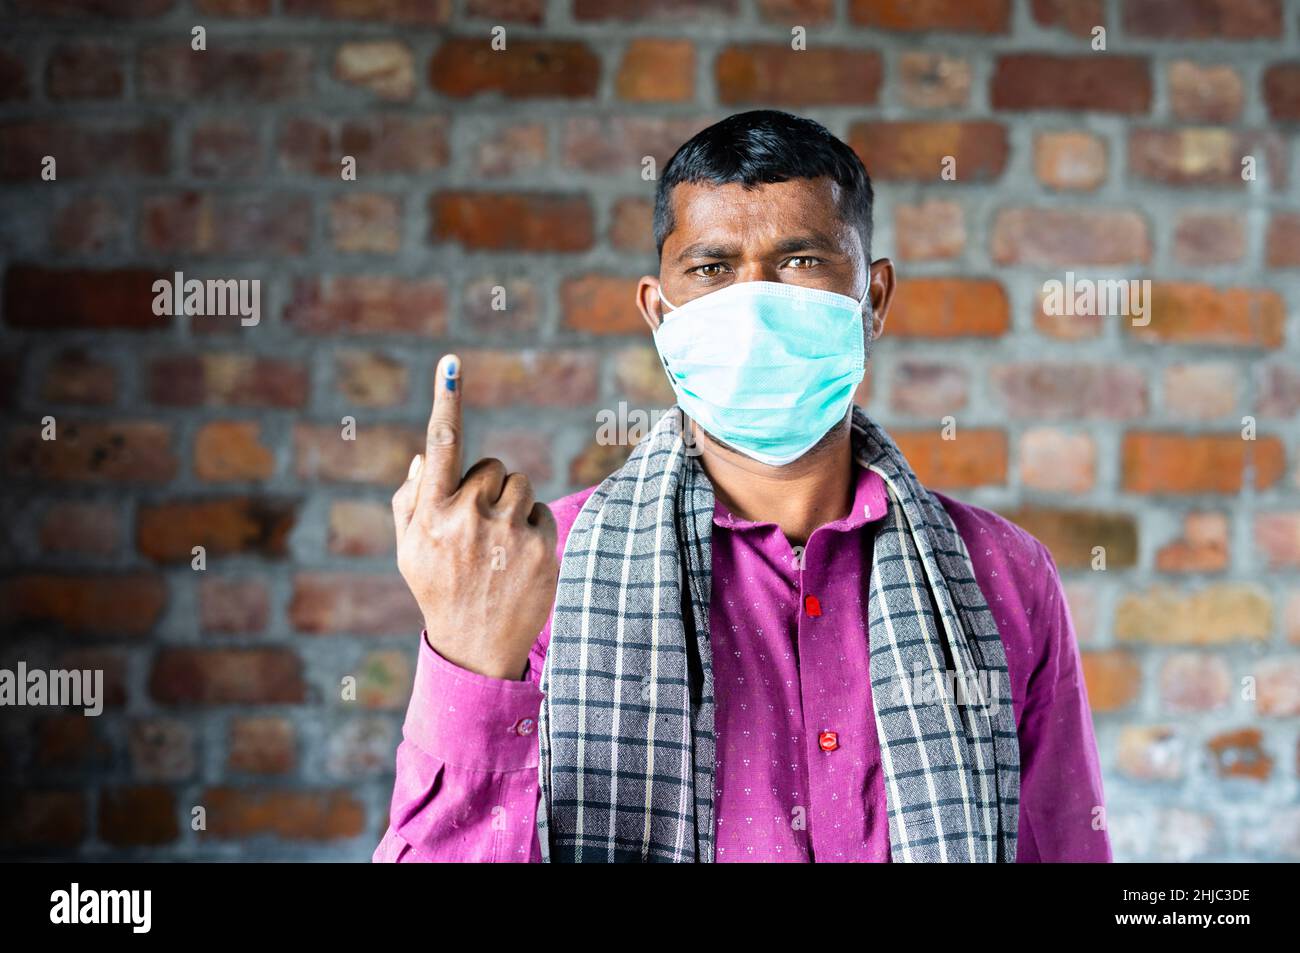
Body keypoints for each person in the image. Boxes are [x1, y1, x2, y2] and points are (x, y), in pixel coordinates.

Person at [376, 110, 1111, 863]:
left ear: (875, 299)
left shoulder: (1004, 575)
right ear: (658, 314)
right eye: (712, 269)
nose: (754, 305)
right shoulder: (539, 572)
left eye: (799, 260)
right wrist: (466, 662)